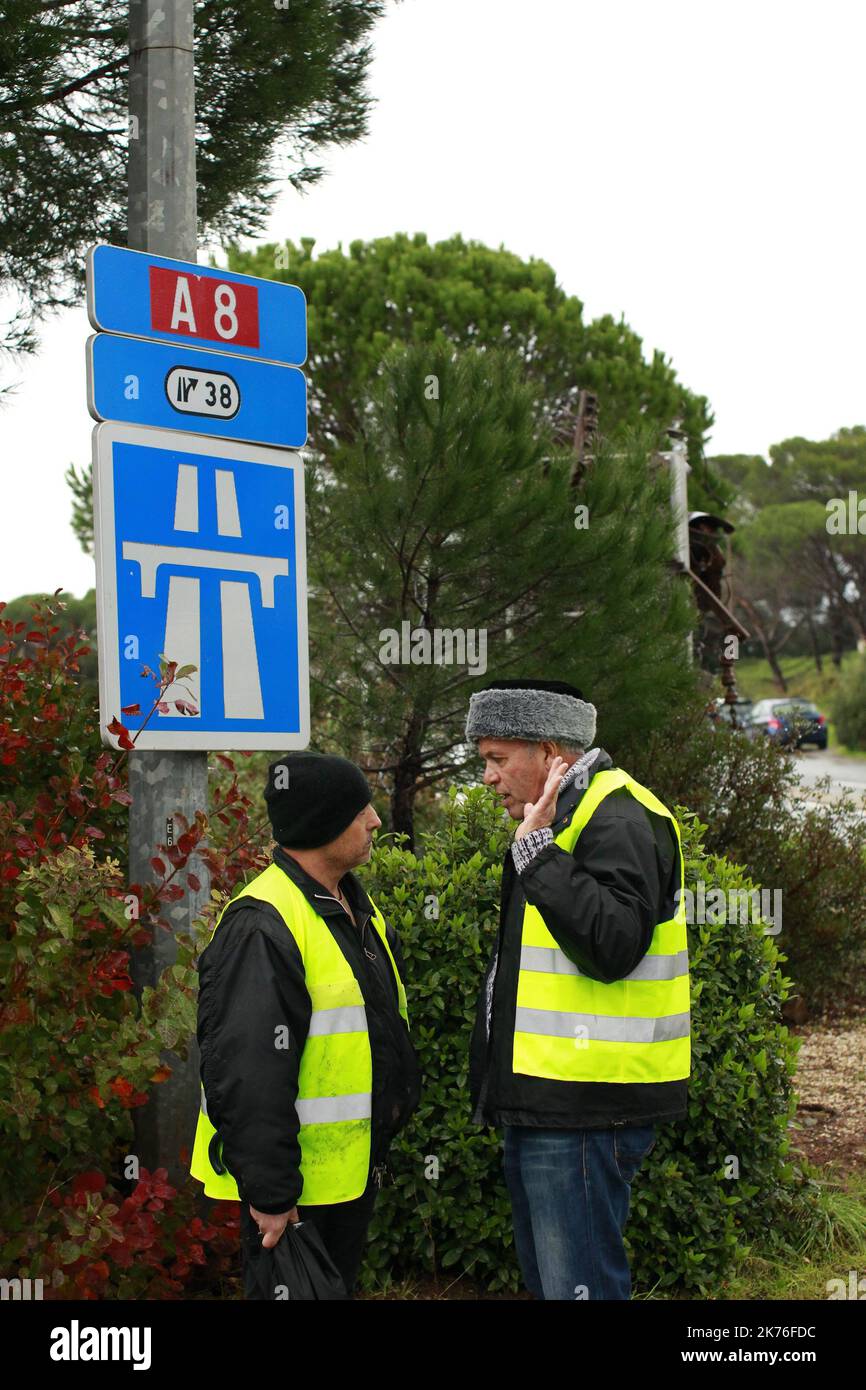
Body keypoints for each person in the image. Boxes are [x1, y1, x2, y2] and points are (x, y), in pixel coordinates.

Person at [465, 678, 691, 1300]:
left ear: (550, 754)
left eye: (497, 759)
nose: (488, 778)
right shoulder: (565, 816)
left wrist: (536, 856)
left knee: (577, 1288)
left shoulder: (617, 815)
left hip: (587, 1107)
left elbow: (613, 944)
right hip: (553, 1100)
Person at [190, 751, 420, 1298]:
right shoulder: (264, 923)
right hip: (294, 1197)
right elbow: (247, 1071)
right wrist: (271, 1196)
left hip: (341, 1180)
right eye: (359, 809)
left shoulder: (349, 907)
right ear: (322, 823)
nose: (375, 820)